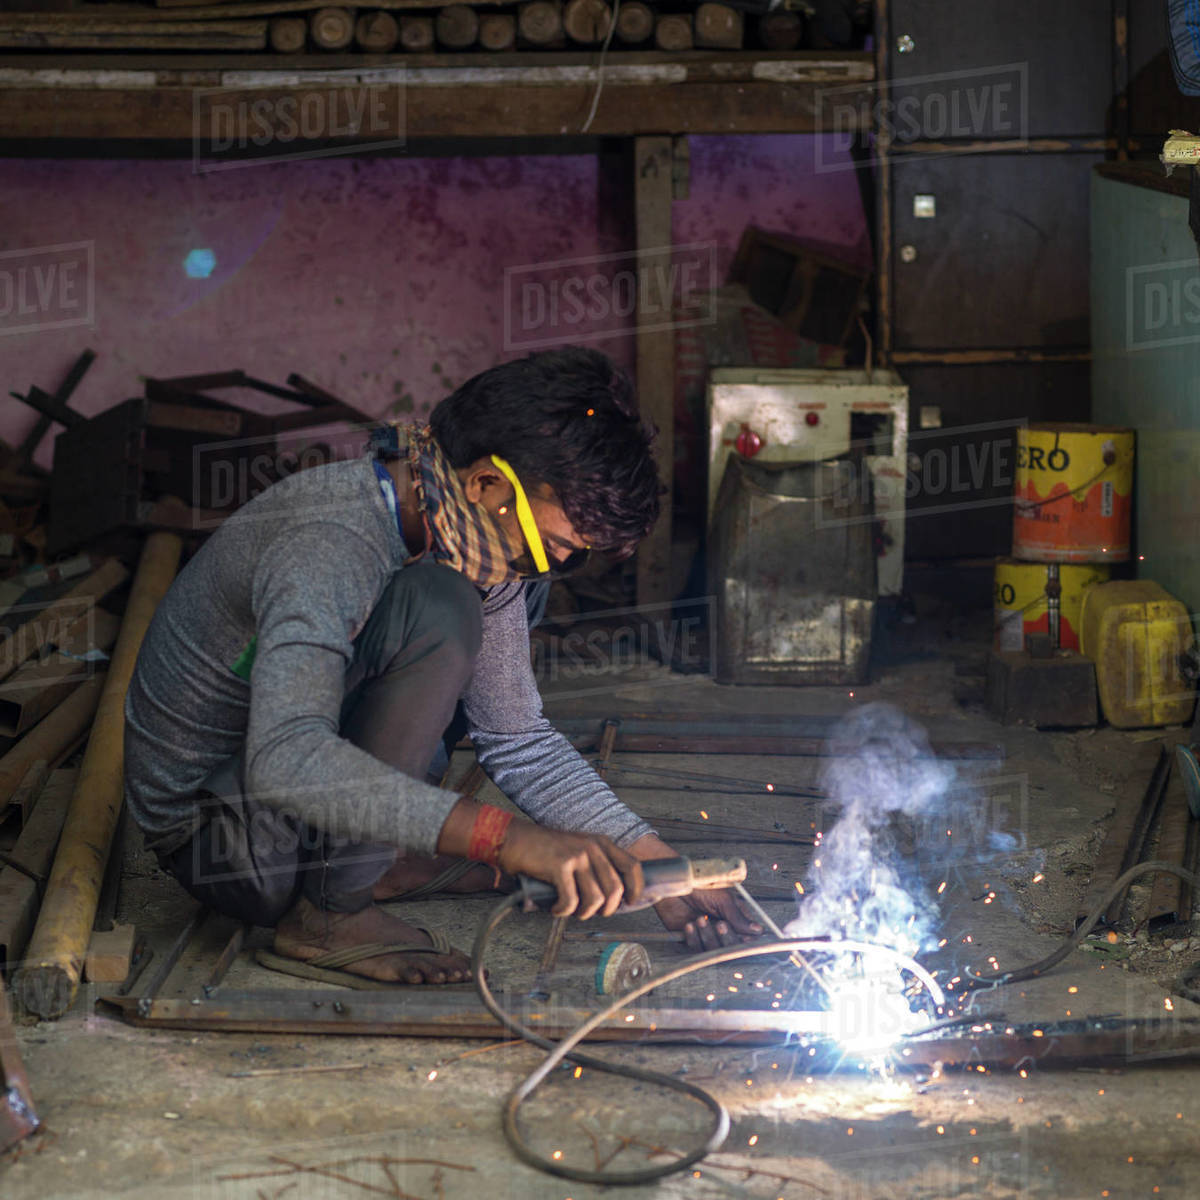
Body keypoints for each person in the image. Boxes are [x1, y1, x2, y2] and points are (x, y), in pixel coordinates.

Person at [124, 347, 759, 987]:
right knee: (440, 608)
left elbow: (515, 736)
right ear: (487, 484)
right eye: (560, 550)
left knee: (472, 599)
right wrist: (508, 839)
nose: (556, 568)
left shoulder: (469, 533)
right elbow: (284, 758)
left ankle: (375, 856)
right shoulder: (332, 537)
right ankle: (328, 915)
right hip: (224, 837)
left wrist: (658, 865)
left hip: (286, 801)